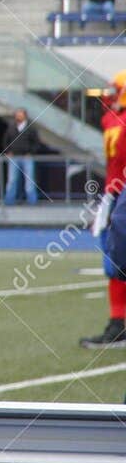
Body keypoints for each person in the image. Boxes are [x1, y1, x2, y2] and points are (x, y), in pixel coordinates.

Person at [88, 73, 126, 349]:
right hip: (114, 192)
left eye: (116, 90)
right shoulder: (112, 119)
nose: (110, 95)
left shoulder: (115, 120)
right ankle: (118, 321)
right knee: (114, 261)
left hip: (118, 192)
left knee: (117, 260)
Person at [1, 107, 43, 206]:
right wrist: (8, 152)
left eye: (20, 114)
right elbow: (5, 141)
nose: (18, 116)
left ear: (25, 116)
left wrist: (31, 153)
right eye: (17, 114)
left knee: (29, 181)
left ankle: (32, 202)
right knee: (12, 180)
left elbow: (36, 143)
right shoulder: (11, 127)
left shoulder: (31, 128)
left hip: (26, 158)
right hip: (14, 157)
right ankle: (9, 202)